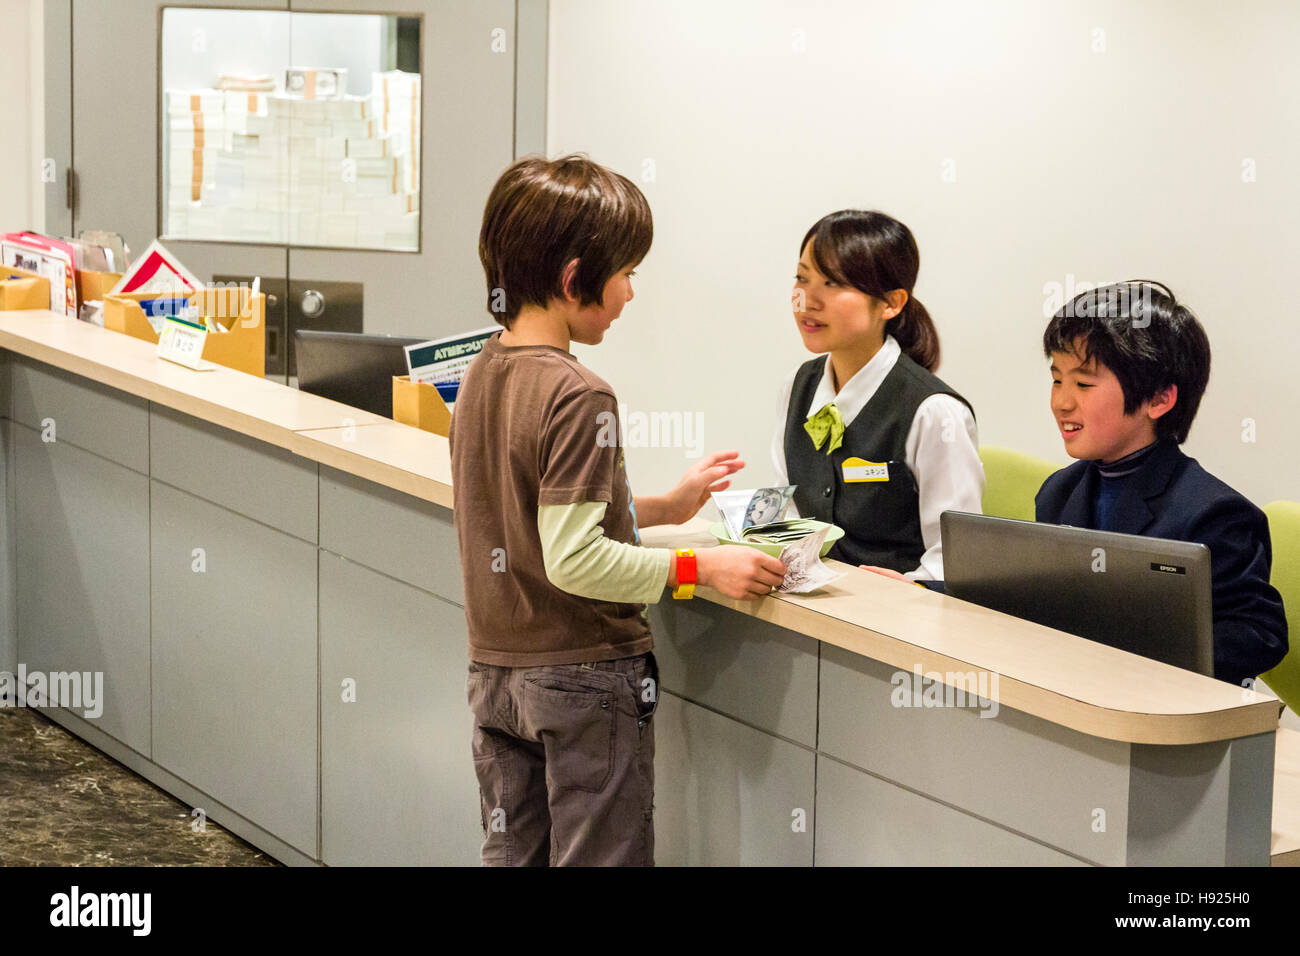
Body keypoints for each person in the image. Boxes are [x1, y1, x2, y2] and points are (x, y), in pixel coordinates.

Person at [448, 154, 785, 866]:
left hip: (498, 673)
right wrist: (701, 566)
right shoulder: (579, 392)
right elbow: (573, 560)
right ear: (575, 280)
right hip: (582, 680)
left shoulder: (482, 370)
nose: (632, 292)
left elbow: (533, 516)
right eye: (627, 272)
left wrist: (662, 506)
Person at [867, 281, 1288, 688]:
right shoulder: (1059, 491)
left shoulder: (1215, 513)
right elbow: (1033, 598)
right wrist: (923, 589)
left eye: (1084, 383)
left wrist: (1141, 662)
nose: (1061, 402)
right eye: (1057, 379)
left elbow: (1259, 634)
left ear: (1159, 399)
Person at [772, 209, 983, 579]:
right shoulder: (797, 386)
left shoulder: (934, 412)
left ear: (891, 302)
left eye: (834, 284)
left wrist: (910, 589)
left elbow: (953, 558)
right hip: (811, 608)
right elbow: (787, 509)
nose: (808, 300)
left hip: (901, 624)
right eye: (802, 279)